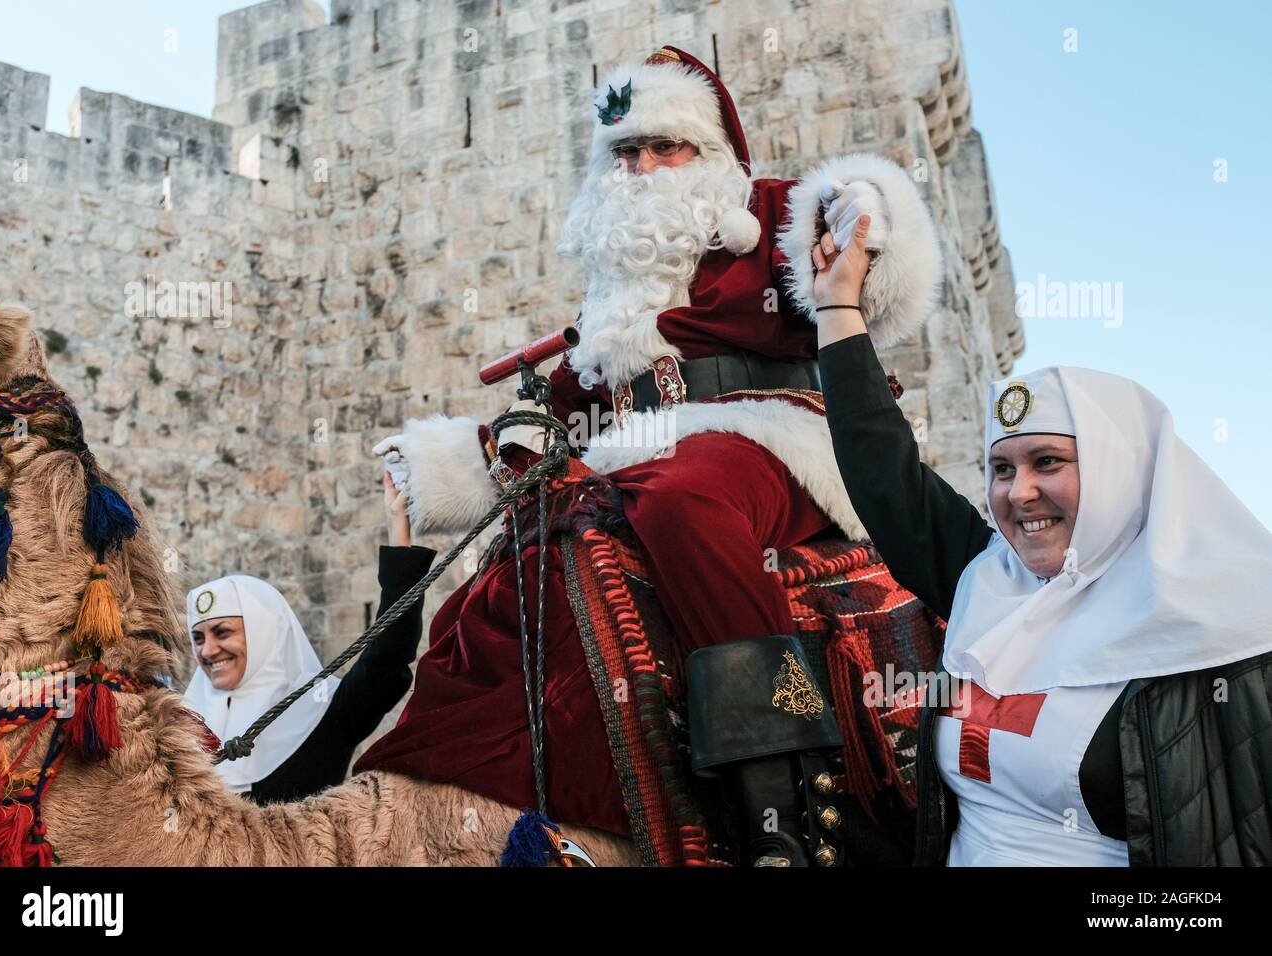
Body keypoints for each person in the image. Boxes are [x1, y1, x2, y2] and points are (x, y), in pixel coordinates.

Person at [357, 45, 942, 865]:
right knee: (514, 566)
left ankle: (784, 793)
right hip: (636, 457)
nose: (643, 167)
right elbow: (563, 411)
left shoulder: (776, 213)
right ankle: (460, 803)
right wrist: (458, 461)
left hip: (776, 438)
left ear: (710, 152)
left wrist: (864, 217)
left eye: (664, 147)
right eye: (626, 152)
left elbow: (877, 276)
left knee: (684, 499)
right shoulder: (612, 292)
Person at [814, 212, 1272, 865]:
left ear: (1120, 470)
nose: (1017, 492)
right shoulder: (986, 579)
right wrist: (836, 304)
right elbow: (883, 470)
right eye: (1001, 468)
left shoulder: (1229, 632)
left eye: (1048, 462)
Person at [184, 473, 435, 804]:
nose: (208, 650)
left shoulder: (325, 712)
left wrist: (397, 527)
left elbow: (387, 659)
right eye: (198, 638)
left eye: (223, 632)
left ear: (265, 633)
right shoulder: (180, 727)